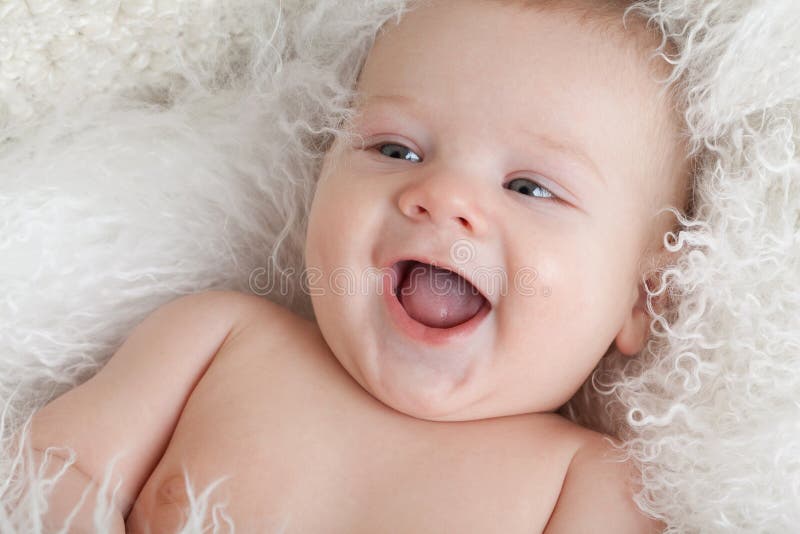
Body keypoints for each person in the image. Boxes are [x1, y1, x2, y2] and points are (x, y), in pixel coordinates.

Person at [28, 0, 692, 531]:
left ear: (640, 297)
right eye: (397, 149)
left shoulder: (588, 486)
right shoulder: (216, 342)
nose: (442, 196)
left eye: (529, 188)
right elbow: (47, 467)